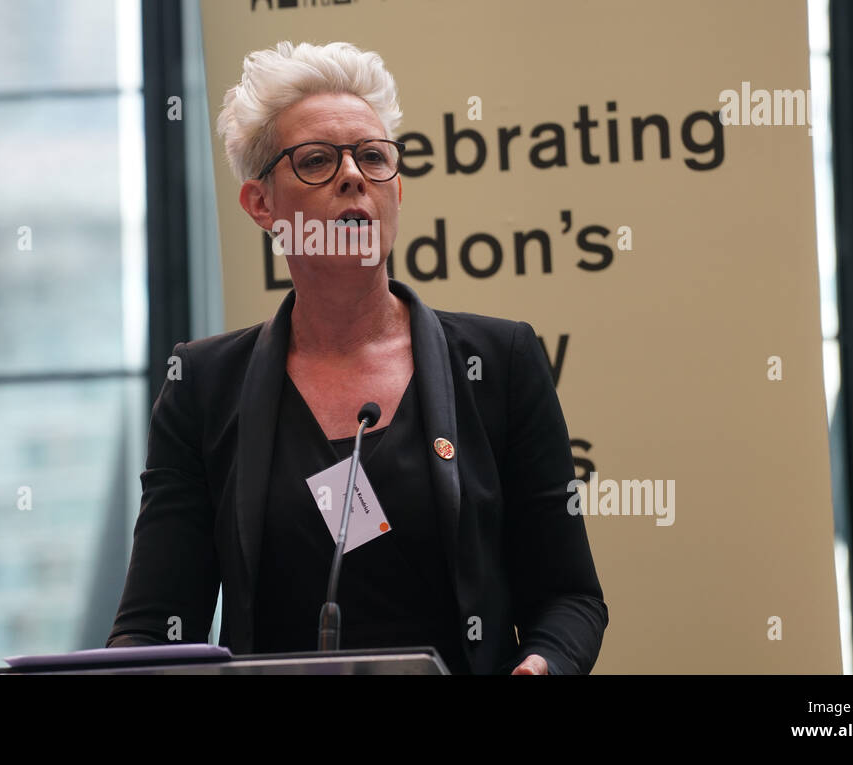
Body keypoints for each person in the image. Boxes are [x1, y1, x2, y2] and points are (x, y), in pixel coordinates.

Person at [107, 41, 607, 674]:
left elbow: (569, 597)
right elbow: (155, 625)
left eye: (373, 157)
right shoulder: (202, 388)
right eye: (316, 160)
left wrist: (541, 667)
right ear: (262, 205)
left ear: (397, 189)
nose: (353, 176)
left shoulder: (500, 363)